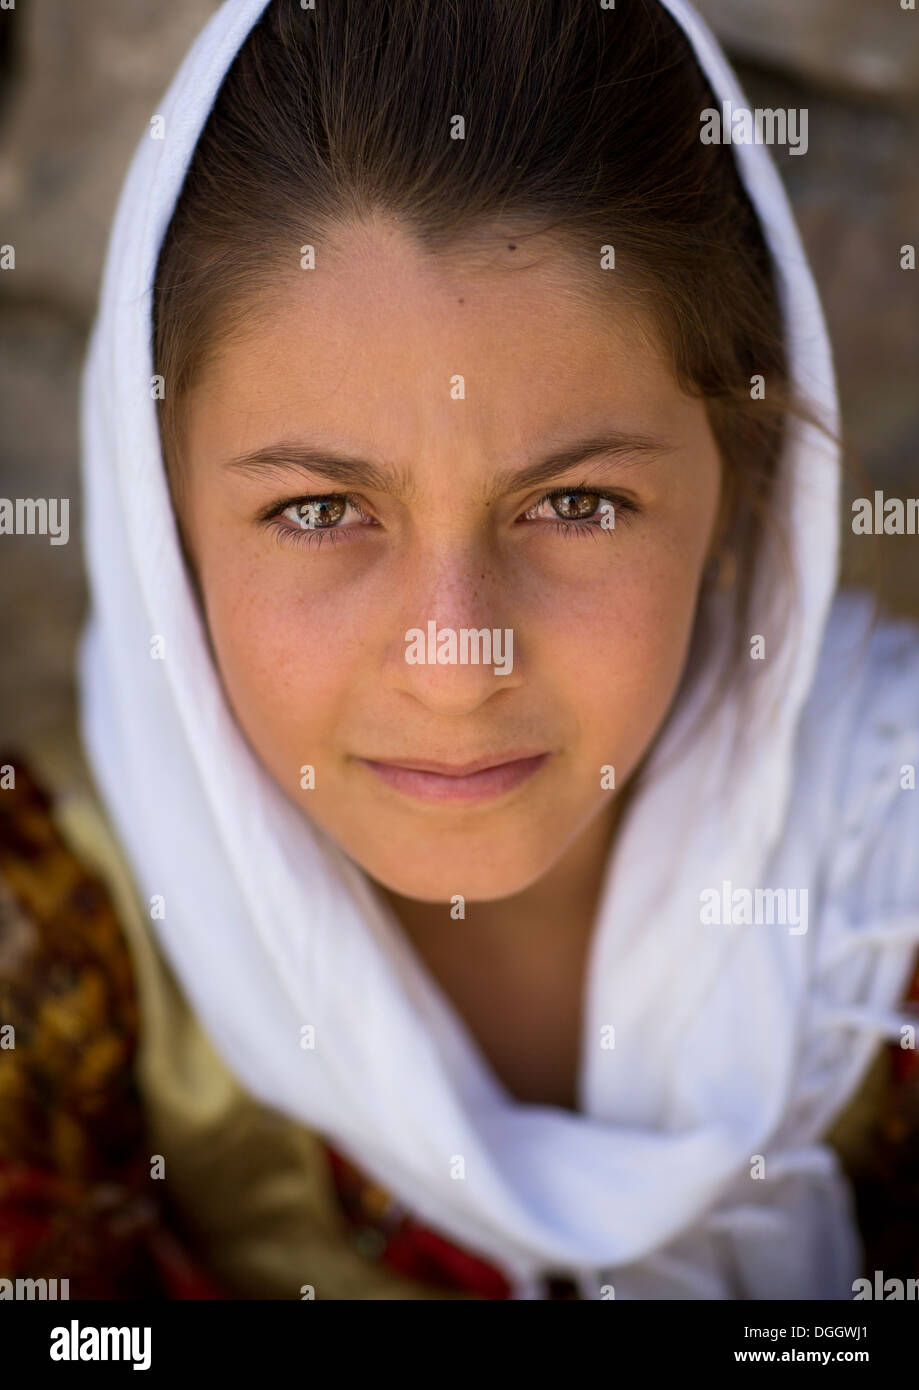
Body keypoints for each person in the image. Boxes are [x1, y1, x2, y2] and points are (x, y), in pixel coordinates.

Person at [2, 0, 918, 1301]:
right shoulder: (50, 937)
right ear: (162, 524)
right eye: (319, 511)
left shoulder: (889, 889)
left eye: (576, 503)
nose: (453, 658)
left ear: (739, 499)